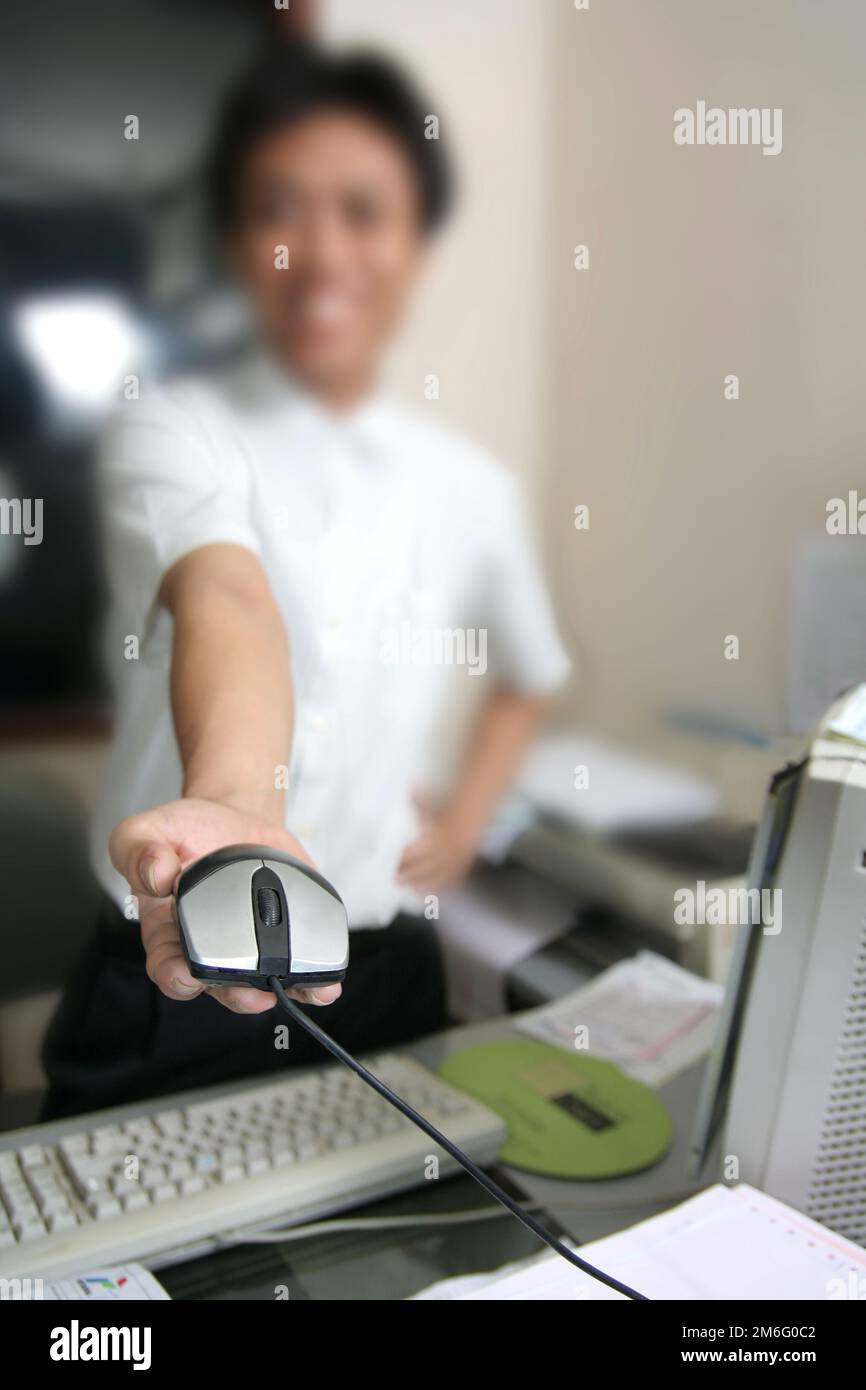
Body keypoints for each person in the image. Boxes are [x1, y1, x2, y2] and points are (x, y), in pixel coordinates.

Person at [43, 41, 569, 1118]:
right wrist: (238, 807)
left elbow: (530, 669)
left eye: (363, 211)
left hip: (379, 975)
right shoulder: (171, 427)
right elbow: (229, 597)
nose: (322, 249)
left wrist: (464, 816)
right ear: (241, 242)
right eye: (280, 208)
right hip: (175, 963)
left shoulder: (465, 485)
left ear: (413, 246)